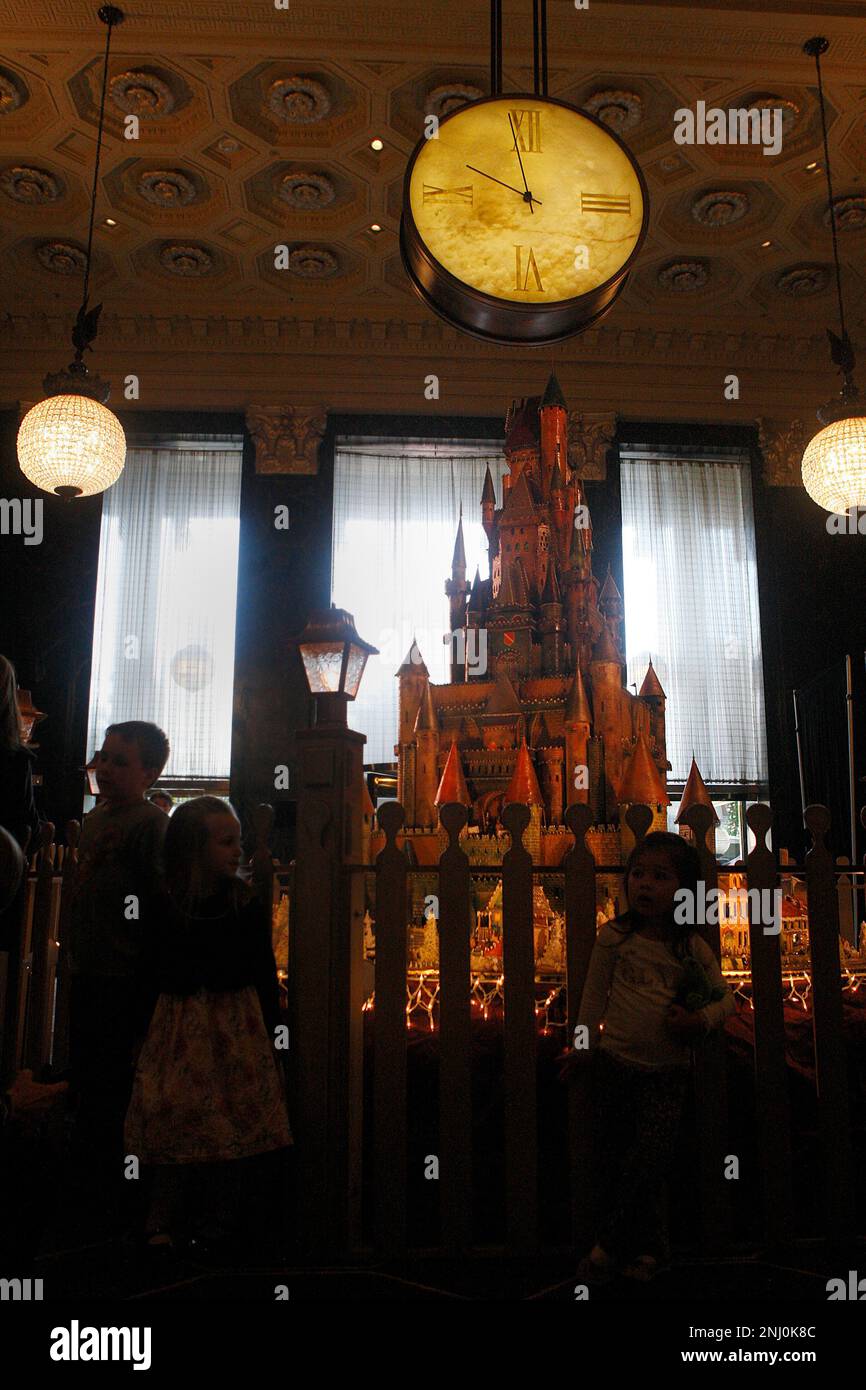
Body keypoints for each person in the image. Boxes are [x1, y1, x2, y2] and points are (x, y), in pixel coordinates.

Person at [567, 831, 735, 1284]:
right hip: (614, 1065)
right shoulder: (614, 938)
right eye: (638, 874)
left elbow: (725, 999)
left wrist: (699, 1021)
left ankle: (610, 1247)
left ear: (684, 890)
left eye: (660, 876)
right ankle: (650, 1251)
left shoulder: (690, 949)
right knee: (624, 1160)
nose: (645, 884)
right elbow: (591, 1000)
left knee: (650, 1161)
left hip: (666, 1074)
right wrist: (583, 1049)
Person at [125, 796, 291, 1254]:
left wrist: (275, 1034)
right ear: (193, 848)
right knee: (175, 1121)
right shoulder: (167, 904)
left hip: (231, 1022)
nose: (237, 851)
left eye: (237, 840)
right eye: (225, 842)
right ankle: (165, 1214)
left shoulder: (241, 904)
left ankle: (217, 1216)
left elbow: (260, 970)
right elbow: (150, 969)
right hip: (183, 1023)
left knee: (228, 1122)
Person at [67, 721, 170, 1229]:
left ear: (150, 772)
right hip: (89, 970)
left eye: (119, 762)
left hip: (122, 977)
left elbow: (156, 905)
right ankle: (92, 1190)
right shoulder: (96, 821)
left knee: (116, 1092)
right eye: (103, 758)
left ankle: (115, 1201)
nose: (104, 769)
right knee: (88, 1082)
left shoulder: (151, 826)